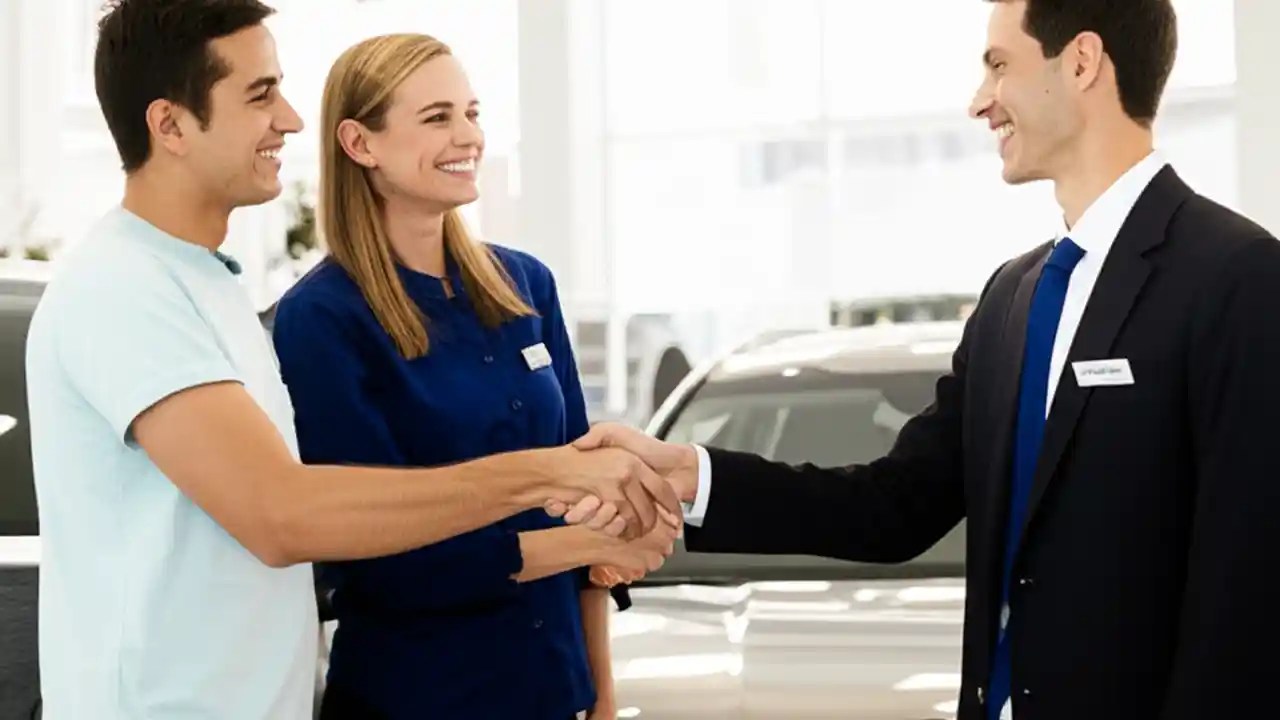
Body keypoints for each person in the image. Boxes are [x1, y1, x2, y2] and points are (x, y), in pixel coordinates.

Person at [571, 1, 1280, 718]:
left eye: (998, 65)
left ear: (1083, 61)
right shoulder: (1013, 298)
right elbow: (895, 506)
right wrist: (694, 475)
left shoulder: (1237, 278)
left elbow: (1247, 591)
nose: (980, 102)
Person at [24, 2, 674, 718]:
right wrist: (553, 481)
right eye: (260, 95)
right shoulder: (126, 289)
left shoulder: (209, 285)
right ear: (170, 125)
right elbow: (284, 516)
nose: (292, 121)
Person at [269, 33, 676, 720]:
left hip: (554, 695)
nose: (468, 136)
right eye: (437, 118)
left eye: (472, 112)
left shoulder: (525, 285)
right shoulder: (321, 318)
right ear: (360, 143)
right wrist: (593, 541)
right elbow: (381, 564)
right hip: (419, 700)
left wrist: (600, 697)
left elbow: (585, 486)